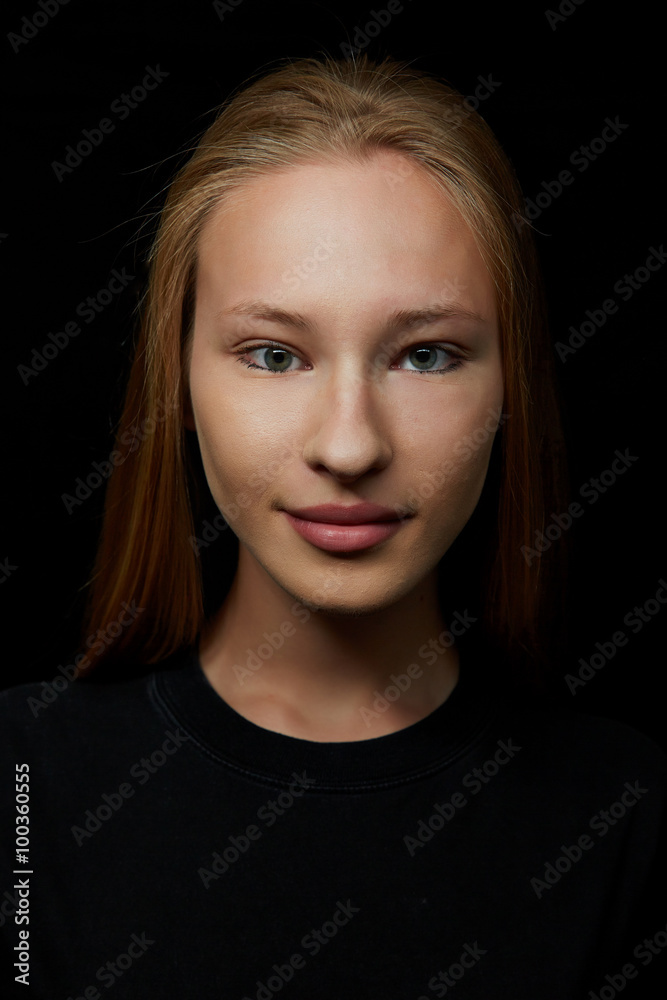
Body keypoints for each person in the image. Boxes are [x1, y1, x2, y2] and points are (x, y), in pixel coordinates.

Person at [1, 53, 665, 999]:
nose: (349, 446)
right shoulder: (21, 784)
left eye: (425, 355)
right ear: (176, 382)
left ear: (510, 385)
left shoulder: (623, 815)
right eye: (274, 354)